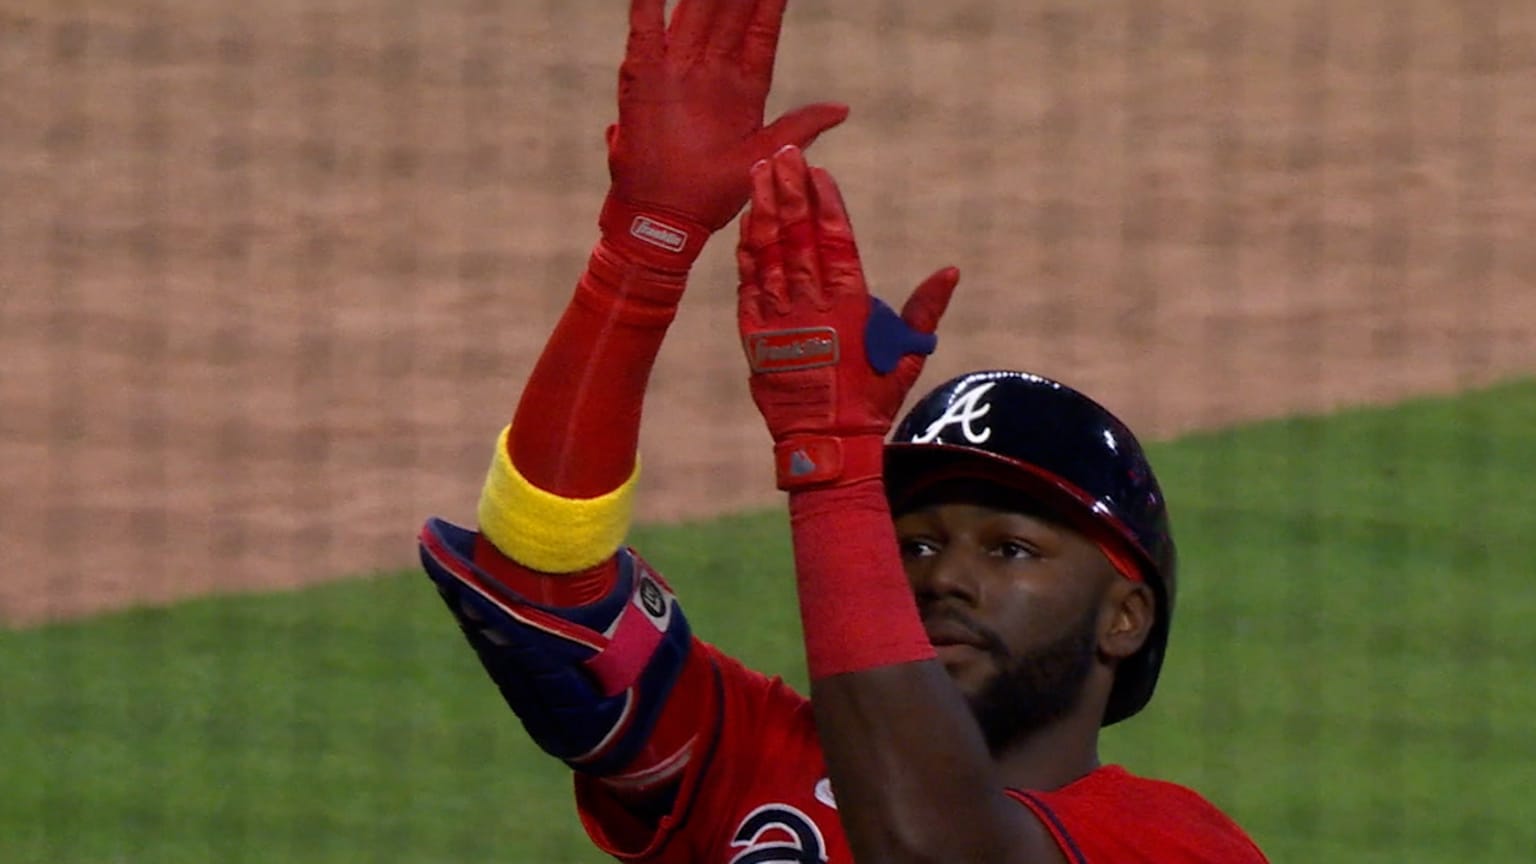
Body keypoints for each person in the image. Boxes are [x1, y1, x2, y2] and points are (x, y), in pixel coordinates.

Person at [418, 1, 1271, 861]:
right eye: (914, 546)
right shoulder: (752, 758)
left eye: (1010, 549)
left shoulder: (1174, 844)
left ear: (1124, 617)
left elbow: (930, 852)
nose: (944, 579)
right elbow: (542, 599)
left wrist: (831, 464)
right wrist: (642, 255)